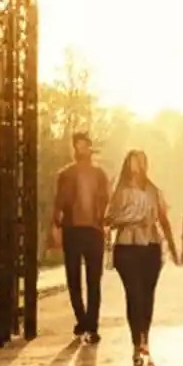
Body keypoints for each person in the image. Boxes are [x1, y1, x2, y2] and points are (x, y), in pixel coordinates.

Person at [105, 149, 179, 366]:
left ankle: (145, 335)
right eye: (132, 162)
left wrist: (172, 246)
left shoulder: (153, 191)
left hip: (151, 246)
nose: (135, 167)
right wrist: (129, 219)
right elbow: (108, 219)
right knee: (134, 295)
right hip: (127, 247)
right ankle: (136, 343)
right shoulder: (119, 192)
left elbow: (163, 219)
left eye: (139, 162)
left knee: (147, 296)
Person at [50, 132, 111, 344]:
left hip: (94, 230)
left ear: (90, 148)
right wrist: (55, 227)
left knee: (94, 281)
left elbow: (107, 200)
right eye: (78, 146)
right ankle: (82, 320)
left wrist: (105, 223)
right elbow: (58, 203)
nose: (81, 149)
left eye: (84, 145)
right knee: (73, 279)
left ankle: (92, 325)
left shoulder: (99, 175)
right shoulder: (66, 174)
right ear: (74, 148)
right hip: (72, 230)